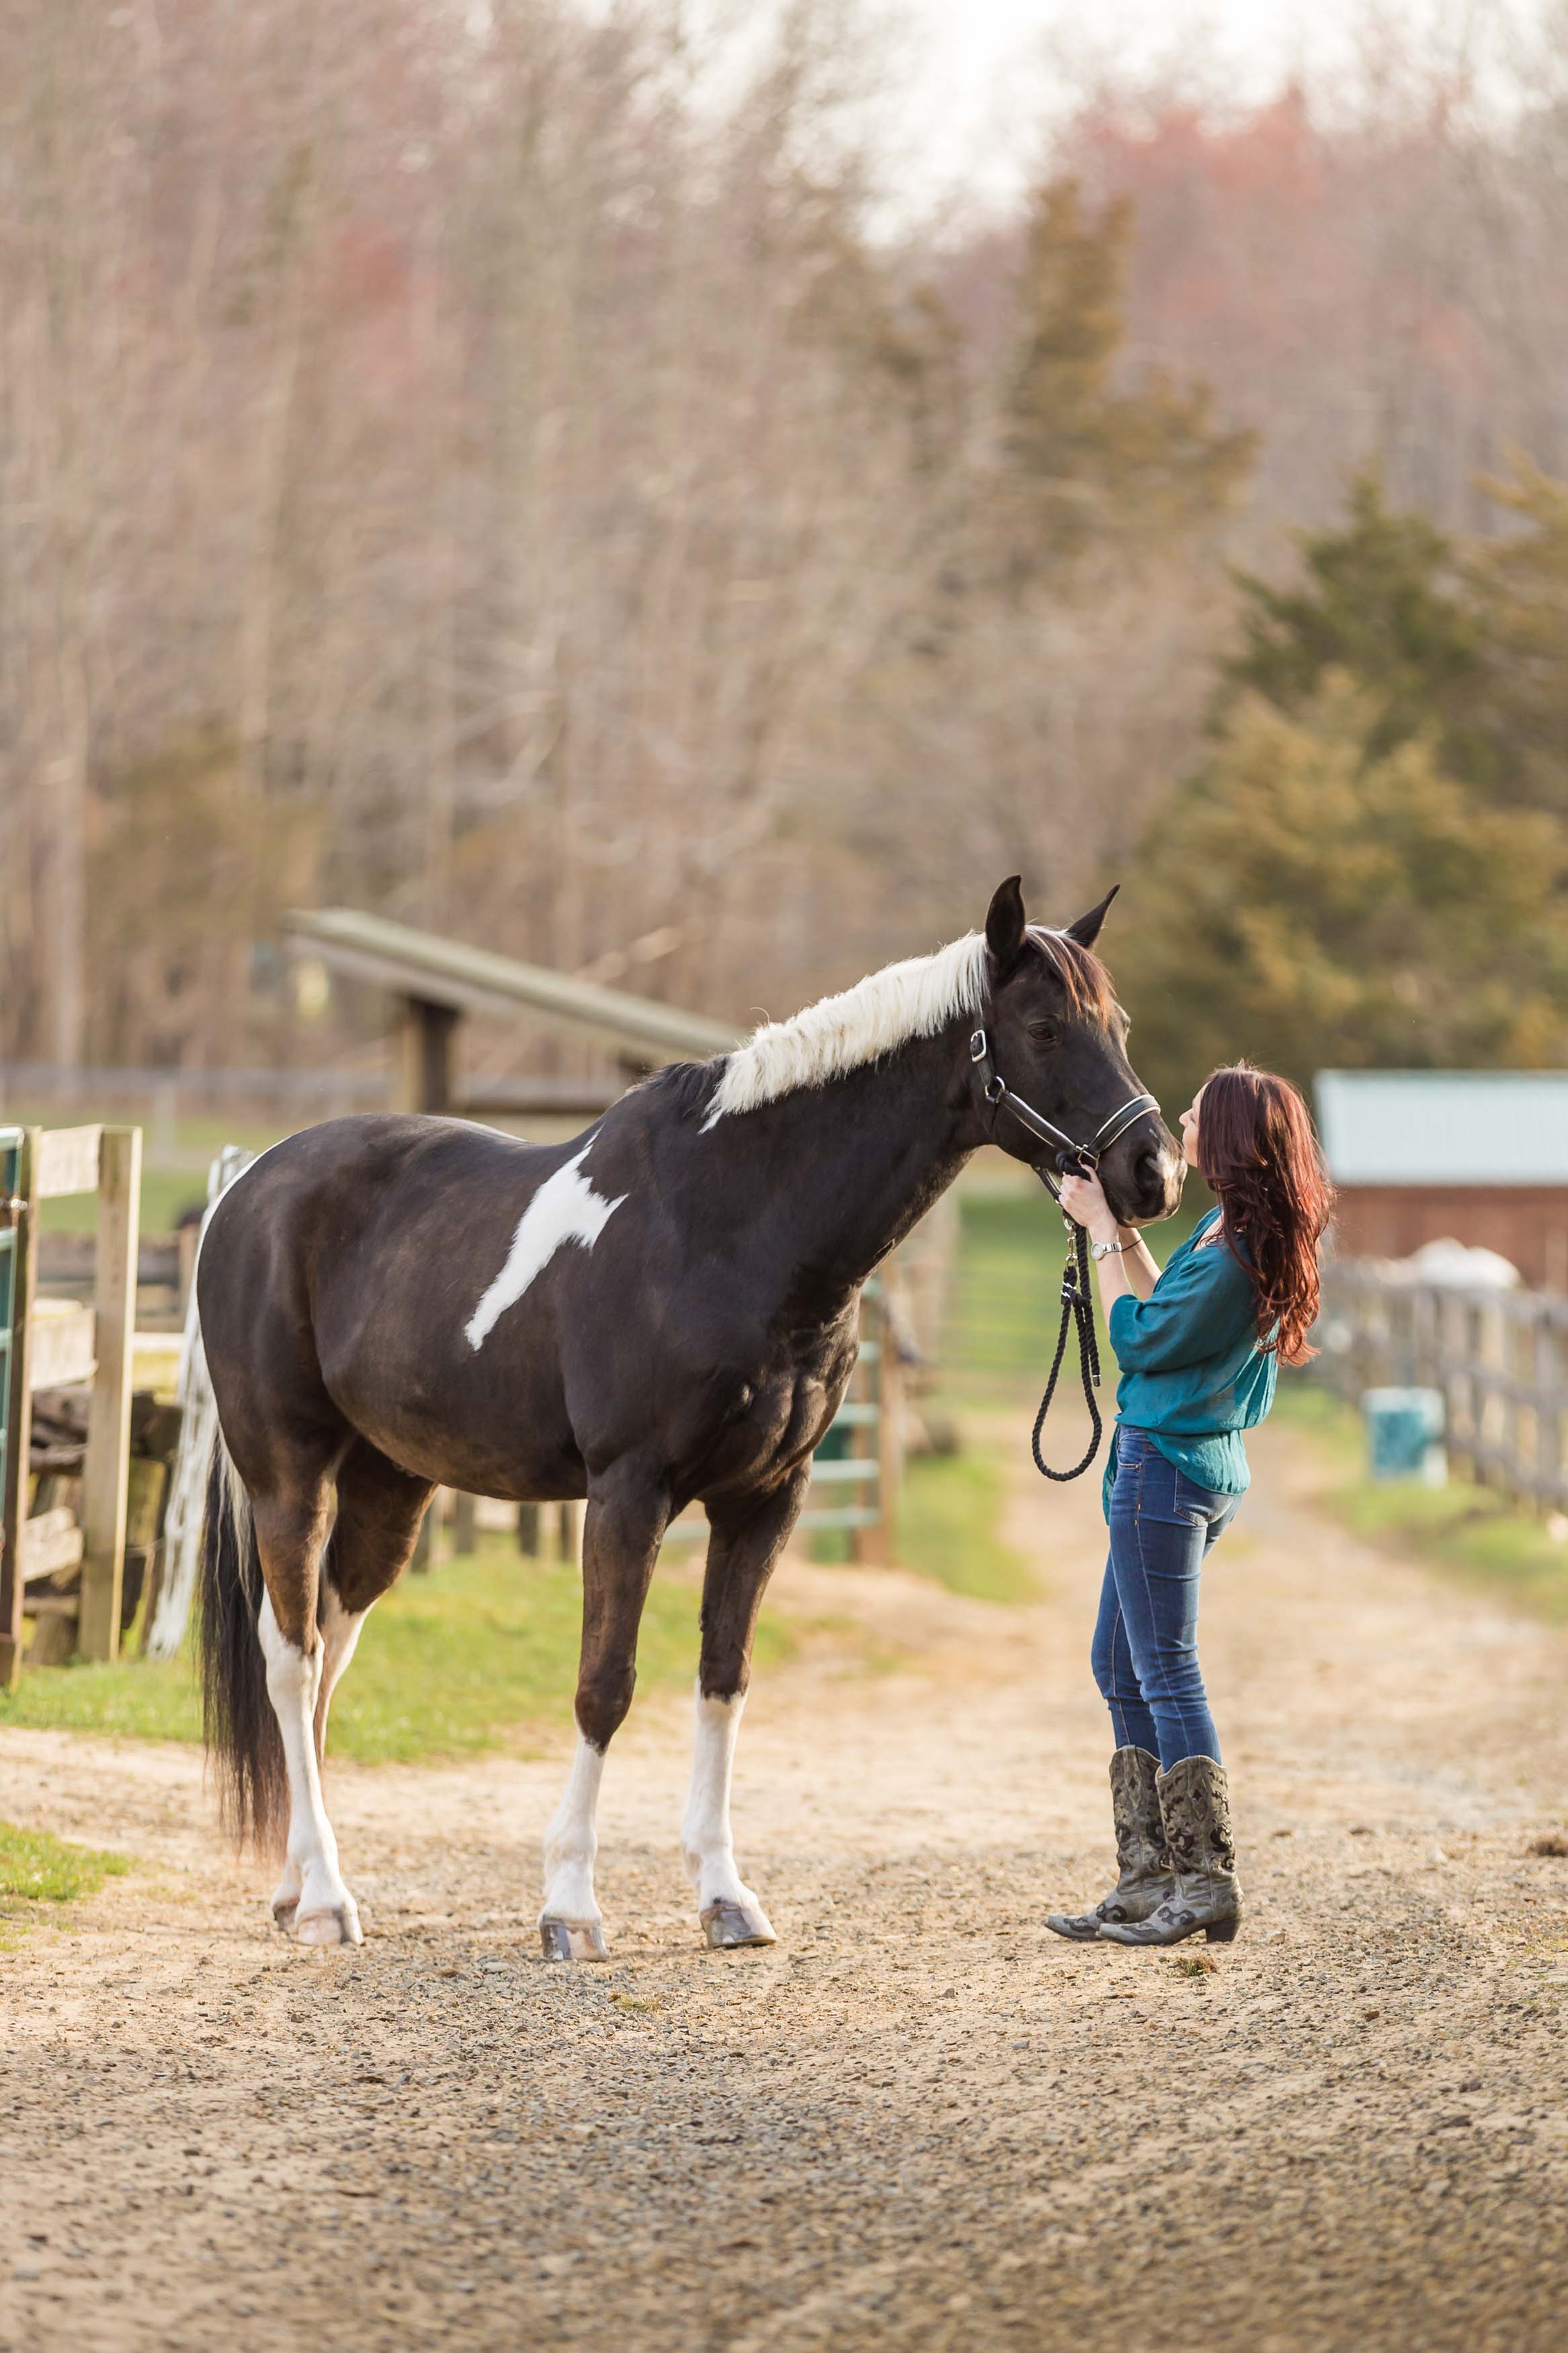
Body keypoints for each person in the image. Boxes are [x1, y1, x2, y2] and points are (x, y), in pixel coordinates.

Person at [1044, 1064, 1333, 1948]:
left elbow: (1138, 1336)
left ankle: (1203, 1879)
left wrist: (1097, 1233)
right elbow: (1159, 1297)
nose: (1178, 1120)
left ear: (1235, 1137)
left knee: (1162, 1670)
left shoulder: (1237, 1252)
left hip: (1164, 1472)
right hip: (1178, 1468)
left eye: (1195, 1114)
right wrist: (1122, 1231)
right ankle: (1147, 1876)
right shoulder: (1227, 1230)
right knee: (1118, 1664)